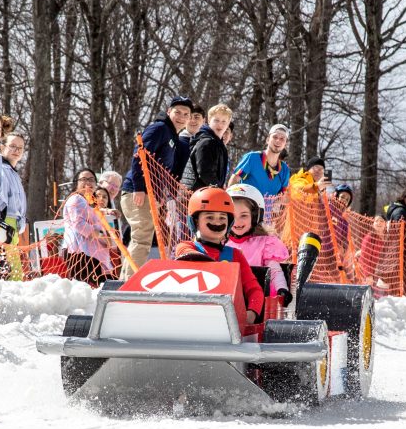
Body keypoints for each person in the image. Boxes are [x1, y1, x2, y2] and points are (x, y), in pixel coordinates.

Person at [120, 96, 192, 277]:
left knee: (141, 237)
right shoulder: (160, 128)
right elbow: (140, 154)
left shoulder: (173, 137)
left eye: (186, 114)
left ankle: (123, 281)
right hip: (139, 191)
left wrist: (165, 198)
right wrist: (139, 187)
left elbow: (165, 173)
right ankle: (129, 282)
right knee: (142, 239)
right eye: (177, 112)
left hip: (153, 195)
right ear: (169, 112)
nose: (181, 117)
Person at [174, 187, 264, 324]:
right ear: (196, 221)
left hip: (227, 321)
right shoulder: (186, 247)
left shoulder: (235, 255)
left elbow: (254, 290)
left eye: (222, 217)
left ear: (229, 223)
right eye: (209, 217)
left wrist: (251, 314)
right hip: (191, 316)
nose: (217, 222)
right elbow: (191, 257)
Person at [225, 183, 291, 308]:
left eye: (244, 215)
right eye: (233, 216)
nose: (237, 222)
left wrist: (281, 288)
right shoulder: (222, 243)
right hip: (228, 299)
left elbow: (274, 271)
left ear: (255, 216)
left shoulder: (264, 244)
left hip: (257, 302)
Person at [61, 168, 114, 286]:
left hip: (93, 254)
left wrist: (108, 211)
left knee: (101, 287)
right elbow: (79, 224)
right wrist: (101, 236)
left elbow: (94, 213)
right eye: (84, 179)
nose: (88, 182)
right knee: (89, 289)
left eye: (91, 179)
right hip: (81, 254)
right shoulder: (76, 198)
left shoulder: (88, 202)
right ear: (76, 183)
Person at [227, 123, 291, 197]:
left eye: (282, 139)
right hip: (247, 203)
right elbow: (234, 180)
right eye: (275, 137)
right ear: (268, 140)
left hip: (271, 205)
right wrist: (231, 200)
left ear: (286, 144)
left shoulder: (284, 170)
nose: (278, 140)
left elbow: (283, 195)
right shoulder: (252, 158)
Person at [181, 103, 232, 190]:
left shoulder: (219, 145)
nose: (220, 125)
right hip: (196, 193)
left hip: (208, 192)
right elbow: (204, 172)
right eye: (216, 120)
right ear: (209, 121)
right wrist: (218, 190)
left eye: (224, 121)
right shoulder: (206, 142)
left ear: (228, 124)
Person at [0, 132, 28, 243]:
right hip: (4, 224)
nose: (17, 150)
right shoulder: (0, 169)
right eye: (12, 146)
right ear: (2, 148)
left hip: (14, 225)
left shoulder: (13, 173)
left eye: (20, 148)